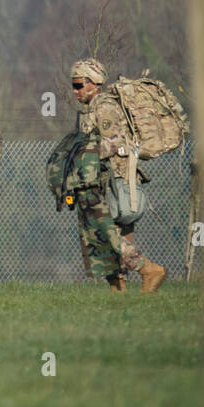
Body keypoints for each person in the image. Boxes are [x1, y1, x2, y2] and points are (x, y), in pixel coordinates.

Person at [69, 58, 166, 293]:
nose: (75, 90)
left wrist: (84, 154)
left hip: (114, 179)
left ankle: (149, 269)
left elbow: (113, 142)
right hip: (102, 179)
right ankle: (118, 290)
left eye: (79, 85)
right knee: (113, 235)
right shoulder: (90, 109)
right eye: (74, 84)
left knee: (103, 231)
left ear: (94, 83)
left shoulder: (104, 107)